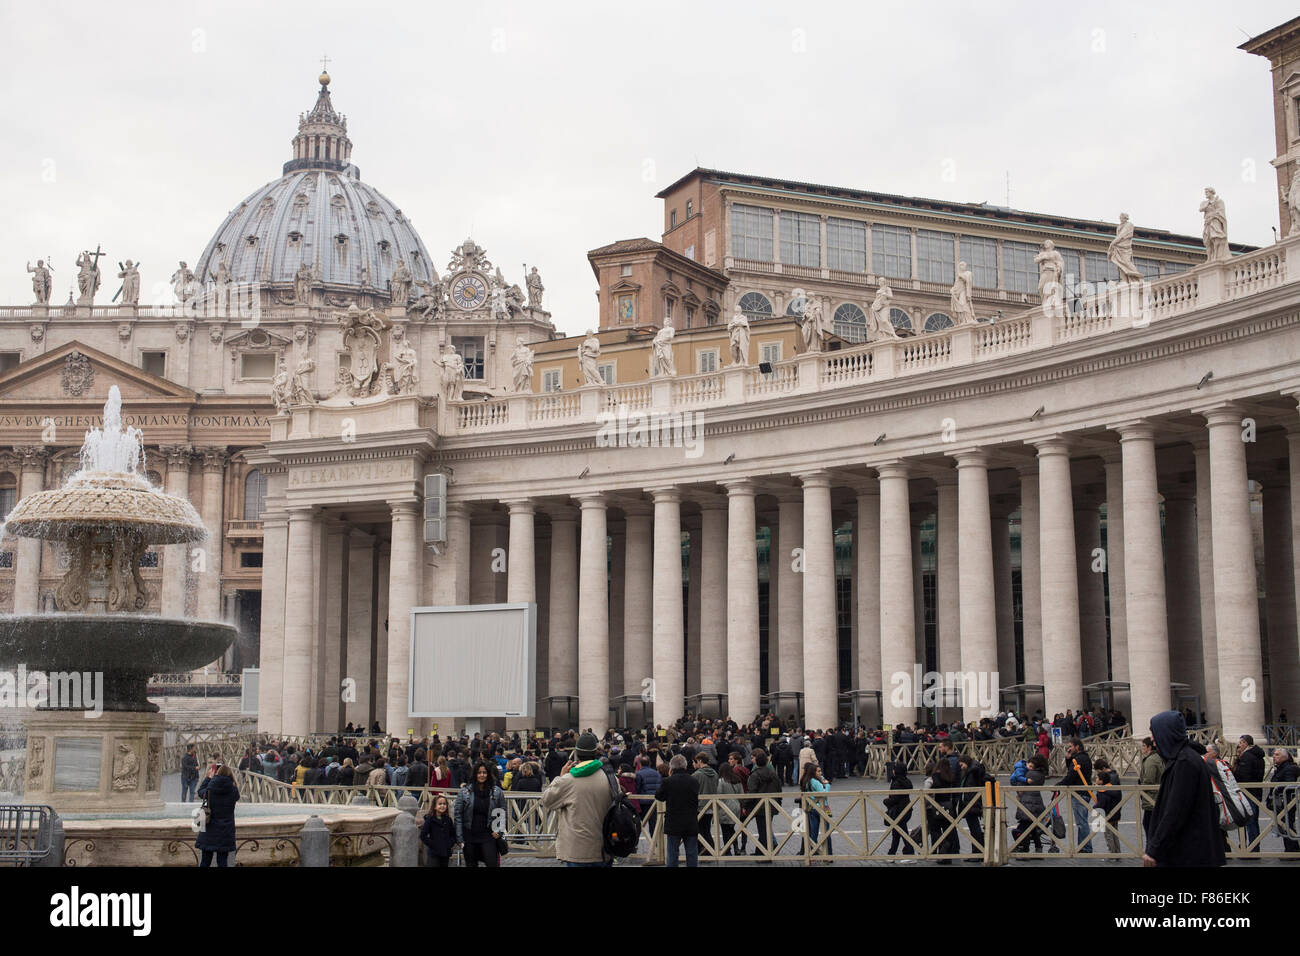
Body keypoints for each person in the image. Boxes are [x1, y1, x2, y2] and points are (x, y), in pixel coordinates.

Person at [1143, 710, 1225, 868]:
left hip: (1188, 853)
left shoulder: (1185, 762)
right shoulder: (1182, 759)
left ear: (1166, 733)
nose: (1153, 740)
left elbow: (1175, 810)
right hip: (1186, 850)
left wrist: (1154, 849)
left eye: (1154, 733)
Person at [538, 731, 615, 867]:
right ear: (595, 753)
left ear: (577, 753)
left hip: (577, 850)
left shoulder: (568, 780)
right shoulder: (610, 777)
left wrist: (560, 777)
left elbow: (547, 800)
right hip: (604, 847)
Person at [454, 760, 506, 867]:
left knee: (492, 863)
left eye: (484, 772)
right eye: (479, 772)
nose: (482, 775)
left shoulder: (497, 791)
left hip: (488, 834)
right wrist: (459, 836)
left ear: (488, 774)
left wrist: (499, 830)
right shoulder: (464, 792)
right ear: (474, 774)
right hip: (469, 834)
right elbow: (458, 815)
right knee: (471, 864)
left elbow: (502, 812)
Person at [655, 754, 701, 867]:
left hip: (673, 821)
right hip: (690, 821)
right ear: (685, 766)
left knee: (672, 853)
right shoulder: (693, 781)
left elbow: (659, 796)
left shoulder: (667, 781)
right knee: (692, 853)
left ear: (672, 768)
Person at [196, 764, 239, 868]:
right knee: (222, 861)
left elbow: (200, 792)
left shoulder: (209, 790)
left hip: (210, 829)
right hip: (225, 831)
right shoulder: (233, 791)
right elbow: (237, 797)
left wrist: (208, 778)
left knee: (205, 861)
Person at [1010, 754, 1053, 853]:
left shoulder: (1029, 774)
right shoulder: (1040, 774)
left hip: (1028, 804)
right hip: (1036, 802)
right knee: (1032, 827)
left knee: (1022, 827)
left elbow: (1019, 785)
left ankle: (1023, 848)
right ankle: (1038, 848)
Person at [1058, 736, 1094, 853]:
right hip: (1083, 792)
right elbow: (1071, 770)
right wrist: (1068, 758)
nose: (1069, 748)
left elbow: (1071, 776)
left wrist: (1058, 785)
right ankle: (1083, 846)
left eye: (1071, 746)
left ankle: (1085, 847)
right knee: (1081, 821)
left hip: (1080, 793)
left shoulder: (1080, 759)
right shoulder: (1082, 758)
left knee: (1081, 822)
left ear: (1077, 747)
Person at [1233, 734, 1266, 851]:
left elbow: (1243, 776)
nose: (1239, 745)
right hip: (1256, 792)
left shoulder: (1247, 756)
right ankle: (1254, 847)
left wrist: (1233, 773)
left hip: (1247, 792)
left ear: (1246, 743)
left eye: (1241, 742)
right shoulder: (1259, 756)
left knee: (1248, 821)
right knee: (1253, 821)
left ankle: (1251, 848)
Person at [744, 750, 781, 857]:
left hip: (759, 806)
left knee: (763, 830)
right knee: (766, 829)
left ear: (756, 762)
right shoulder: (773, 774)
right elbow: (779, 789)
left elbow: (752, 792)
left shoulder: (755, 775)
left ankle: (764, 853)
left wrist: (745, 804)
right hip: (772, 805)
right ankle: (761, 851)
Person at [1266, 748, 1300, 854]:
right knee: (1285, 825)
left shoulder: (1288, 768)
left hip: (1287, 801)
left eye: (1277, 755)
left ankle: (1292, 850)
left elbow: (1288, 785)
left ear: (1284, 757)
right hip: (1283, 802)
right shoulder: (1281, 768)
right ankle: (1291, 849)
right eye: (1274, 754)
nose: (1274, 756)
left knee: (1287, 825)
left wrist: (1277, 788)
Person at [799, 762, 833, 859]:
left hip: (812, 808)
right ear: (813, 772)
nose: (820, 773)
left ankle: (813, 853)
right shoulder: (815, 782)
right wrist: (827, 785)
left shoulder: (806, 781)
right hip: (822, 808)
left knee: (814, 832)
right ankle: (828, 855)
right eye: (818, 771)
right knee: (826, 833)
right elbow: (823, 794)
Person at [883, 759, 914, 856]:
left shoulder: (897, 782)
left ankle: (910, 853)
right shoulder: (906, 781)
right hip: (906, 810)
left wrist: (885, 801)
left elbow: (895, 799)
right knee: (897, 832)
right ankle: (892, 853)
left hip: (899, 811)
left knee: (902, 833)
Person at [1093, 757, 1121, 855]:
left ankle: (1113, 853)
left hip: (1109, 811)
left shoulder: (1109, 780)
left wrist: (1100, 789)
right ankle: (1117, 852)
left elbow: (1110, 795)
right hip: (1115, 810)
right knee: (1114, 833)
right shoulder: (1114, 776)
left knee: (1109, 834)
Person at [420, 794, 456, 867]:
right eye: (440, 804)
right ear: (435, 806)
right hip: (434, 853)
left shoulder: (448, 820)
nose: (442, 806)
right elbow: (423, 835)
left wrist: (449, 843)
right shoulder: (430, 819)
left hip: (445, 852)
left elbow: (453, 834)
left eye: (444, 804)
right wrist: (432, 844)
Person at [716, 762, 744, 856]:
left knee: (725, 829)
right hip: (736, 806)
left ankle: (727, 849)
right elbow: (742, 795)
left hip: (725, 806)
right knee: (731, 828)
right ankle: (736, 847)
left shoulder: (721, 781)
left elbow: (718, 795)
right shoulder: (737, 780)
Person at [1138, 735, 1163, 840]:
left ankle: (1152, 851)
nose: (1142, 748)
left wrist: (1140, 788)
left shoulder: (1151, 761)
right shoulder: (1157, 757)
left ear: (1149, 747)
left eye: (1144, 746)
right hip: (1156, 797)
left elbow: (1148, 780)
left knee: (1149, 825)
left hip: (1152, 798)